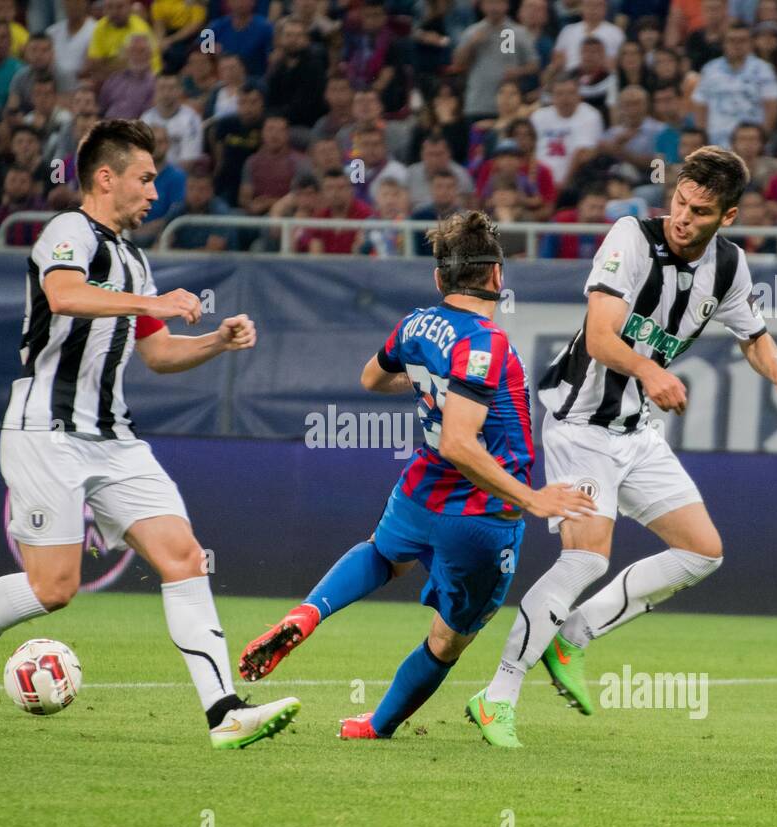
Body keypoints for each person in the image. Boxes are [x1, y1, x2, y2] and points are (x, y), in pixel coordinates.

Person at [0, 119, 300, 750]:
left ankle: (223, 712)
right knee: (52, 589)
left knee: (183, 556)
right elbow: (62, 296)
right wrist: (155, 303)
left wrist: (216, 342)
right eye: (144, 179)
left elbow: (160, 355)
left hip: (114, 437)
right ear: (105, 177)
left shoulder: (135, 260)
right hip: (45, 430)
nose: (154, 193)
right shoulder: (67, 231)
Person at [476, 147, 777, 746]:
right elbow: (602, 335)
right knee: (586, 558)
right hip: (580, 422)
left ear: (727, 217)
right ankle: (498, 694)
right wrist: (651, 372)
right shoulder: (631, 237)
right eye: (680, 201)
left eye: (701, 210)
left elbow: (755, 337)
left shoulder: (730, 268)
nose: (684, 217)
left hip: (635, 433)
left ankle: (571, 639)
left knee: (702, 551)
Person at [237, 211, 592, 743]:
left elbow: (371, 377)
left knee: (383, 554)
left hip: (421, 487)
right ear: (498, 277)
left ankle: (309, 614)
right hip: (482, 512)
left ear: (438, 278)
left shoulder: (416, 324)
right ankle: (375, 725)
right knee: (450, 639)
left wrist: (429, 382)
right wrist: (533, 499)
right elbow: (459, 442)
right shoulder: (484, 344)